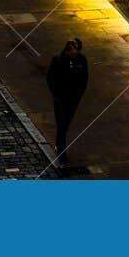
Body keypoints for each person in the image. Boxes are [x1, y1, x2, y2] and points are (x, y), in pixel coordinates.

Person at [46, 38, 89, 173]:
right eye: (72, 50)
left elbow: (84, 79)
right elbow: (50, 78)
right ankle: (62, 154)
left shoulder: (82, 61)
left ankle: (60, 145)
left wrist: (78, 95)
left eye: (76, 50)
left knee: (65, 125)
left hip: (73, 99)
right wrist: (56, 94)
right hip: (61, 98)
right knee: (62, 124)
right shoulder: (58, 60)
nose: (74, 52)